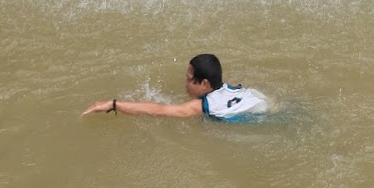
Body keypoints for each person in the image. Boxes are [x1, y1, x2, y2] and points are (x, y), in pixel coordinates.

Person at [81, 53, 267, 121]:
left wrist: (115, 104)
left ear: (204, 84)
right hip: (266, 106)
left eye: (189, 80)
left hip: (263, 121)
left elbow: (160, 111)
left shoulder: (201, 105)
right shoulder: (232, 88)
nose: (185, 84)